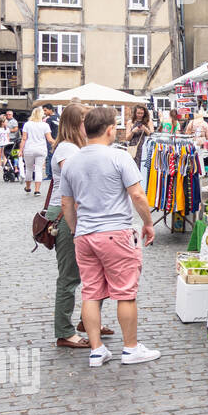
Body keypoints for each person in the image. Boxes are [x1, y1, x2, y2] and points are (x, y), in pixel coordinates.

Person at [59, 106, 159, 367]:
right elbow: (137, 195)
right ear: (110, 129)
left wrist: (74, 229)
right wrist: (148, 223)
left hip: (84, 236)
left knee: (91, 293)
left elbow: (67, 204)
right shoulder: (119, 157)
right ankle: (130, 348)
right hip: (115, 232)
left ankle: (96, 349)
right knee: (125, 292)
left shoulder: (72, 162)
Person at [50, 104, 114, 349]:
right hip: (68, 215)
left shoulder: (79, 147)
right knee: (69, 276)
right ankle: (64, 331)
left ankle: (86, 321)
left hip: (83, 213)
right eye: (85, 120)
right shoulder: (66, 148)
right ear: (76, 123)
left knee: (96, 273)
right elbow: (77, 180)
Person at [21, 108, 54, 195]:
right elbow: (49, 139)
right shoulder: (45, 125)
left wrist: (20, 150)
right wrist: (57, 143)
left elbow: (24, 138)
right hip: (41, 149)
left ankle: (28, 187)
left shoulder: (27, 124)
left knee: (29, 169)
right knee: (38, 169)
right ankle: (37, 190)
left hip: (29, 149)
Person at [42, 104, 60, 182]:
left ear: (50, 110)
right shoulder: (59, 116)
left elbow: (46, 131)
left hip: (51, 140)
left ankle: (49, 174)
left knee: (50, 157)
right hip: (58, 139)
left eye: (45, 110)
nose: (44, 112)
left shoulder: (49, 119)